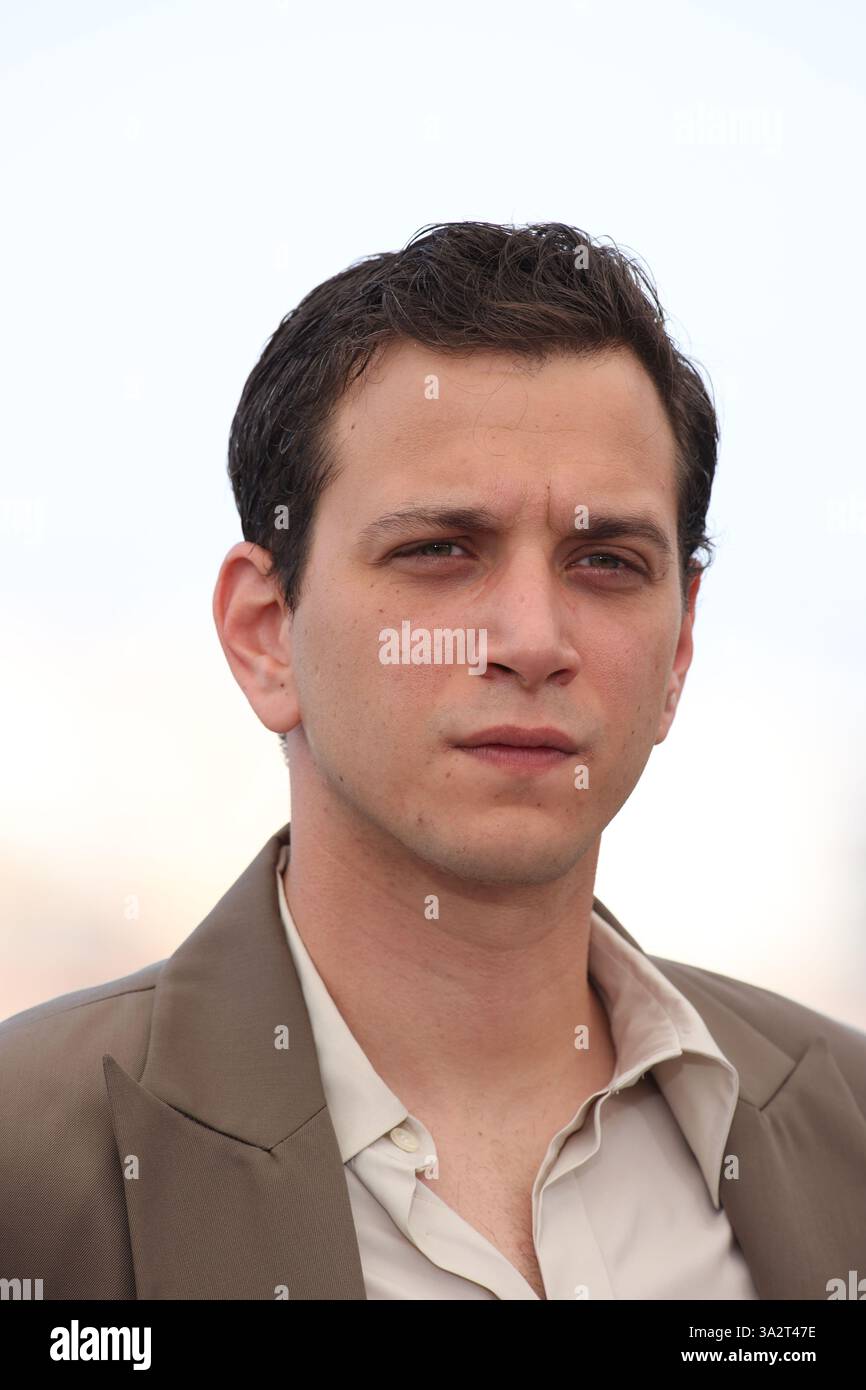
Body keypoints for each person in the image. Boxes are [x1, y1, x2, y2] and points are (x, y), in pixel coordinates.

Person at [2, 221, 864, 1301]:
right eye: (439, 550)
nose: (531, 639)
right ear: (267, 633)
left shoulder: (843, 1128)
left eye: (604, 561)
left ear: (677, 651)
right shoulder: (28, 1167)